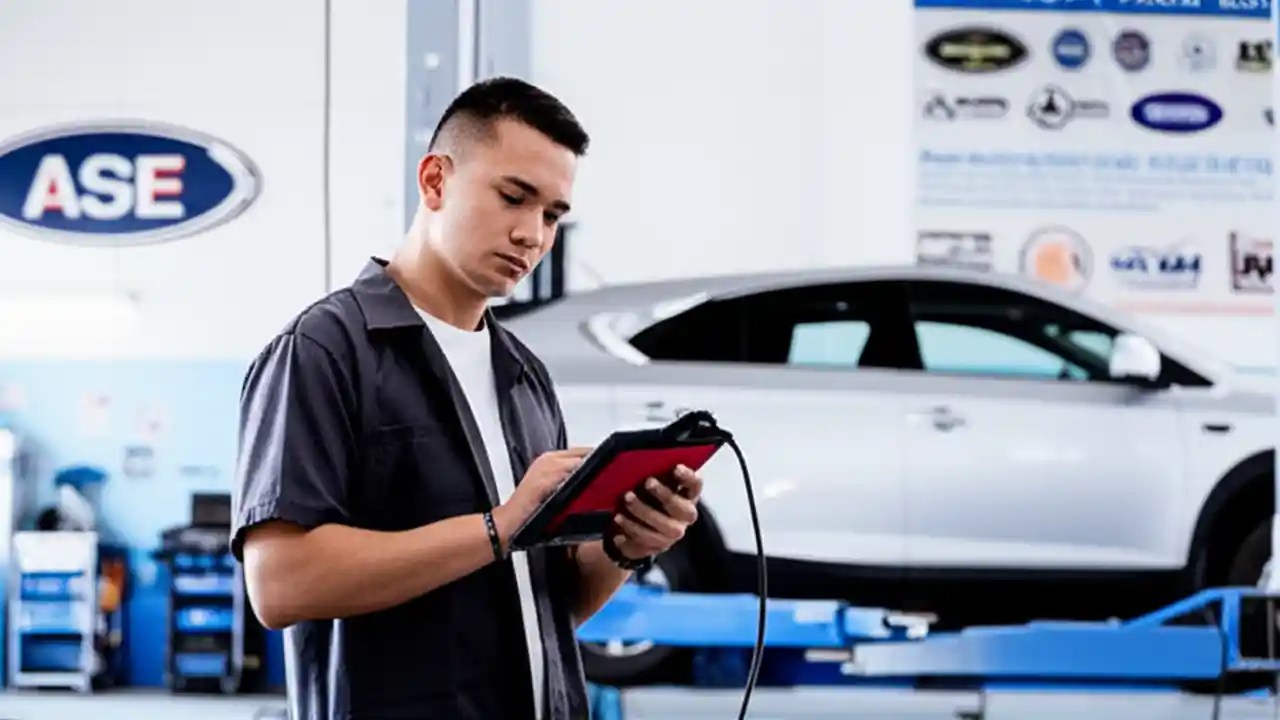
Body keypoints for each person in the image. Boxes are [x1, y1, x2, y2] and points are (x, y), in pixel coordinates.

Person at [229, 77, 705, 719]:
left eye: (552, 215)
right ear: (434, 182)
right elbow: (280, 583)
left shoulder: (525, 374)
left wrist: (624, 547)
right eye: (514, 197)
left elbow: (546, 602)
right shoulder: (324, 351)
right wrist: (499, 526)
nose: (532, 235)